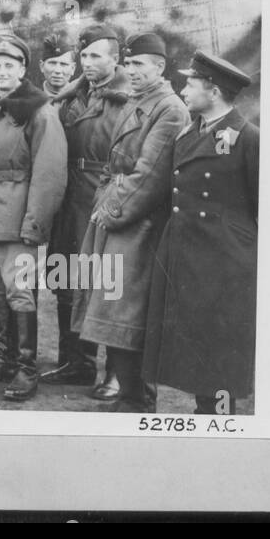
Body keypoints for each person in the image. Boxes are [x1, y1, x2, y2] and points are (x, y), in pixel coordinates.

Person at [72, 31, 190, 412]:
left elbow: (150, 175)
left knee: (125, 313)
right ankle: (128, 395)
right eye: (129, 63)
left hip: (138, 224)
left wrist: (111, 212)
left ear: (160, 67)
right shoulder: (140, 100)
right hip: (115, 209)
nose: (132, 70)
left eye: (140, 64)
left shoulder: (169, 109)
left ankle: (138, 401)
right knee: (109, 308)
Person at [143, 51, 259, 415]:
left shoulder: (248, 138)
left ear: (214, 91)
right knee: (195, 339)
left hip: (225, 261)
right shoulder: (190, 132)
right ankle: (205, 411)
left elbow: (262, 208)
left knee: (220, 344)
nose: (183, 89)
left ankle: (218, 418)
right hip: (186, 253)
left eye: (191, 84)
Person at [0, 33, 67, 400]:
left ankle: (26, 369)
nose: (2, 71)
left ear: (23, 69)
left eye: (10, 65)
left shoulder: (39, 111)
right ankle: (4, 360)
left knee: (21, 293)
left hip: (17, 214)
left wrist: (34, 224)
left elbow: (50, 174)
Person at [40, 25, 130, 386]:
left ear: (115, 59)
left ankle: (116, 373)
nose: (87, 62)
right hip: (69, 191)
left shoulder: (128, 97)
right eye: (85, 56)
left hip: (101, 190)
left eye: (96, 56)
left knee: (107, 282)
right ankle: (74, 362)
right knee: (64, 274)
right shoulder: (76, 94)